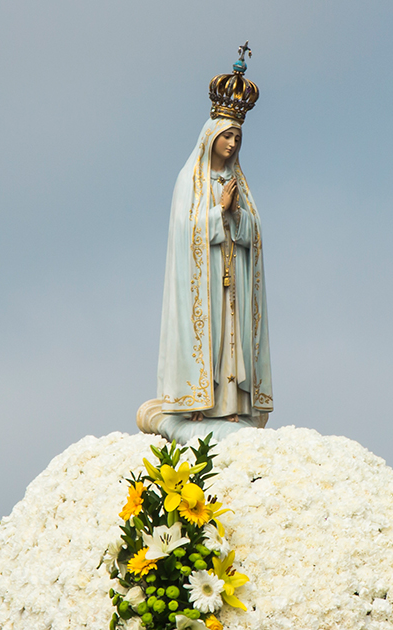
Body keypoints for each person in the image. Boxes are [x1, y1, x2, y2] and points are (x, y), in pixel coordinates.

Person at [138, 45, 272, 443]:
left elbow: (255, 231)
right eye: (227, 136)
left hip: (233, 281)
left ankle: (231, 407)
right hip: (205, 280)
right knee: (209, 337)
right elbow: (185, 232)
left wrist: (236, 215)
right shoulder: (191, 181)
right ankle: (198, 404)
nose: (232, 144)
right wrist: (217, 214)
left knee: (232, 338)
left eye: (237, 137)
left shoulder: (238, 184)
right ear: (211, 137)